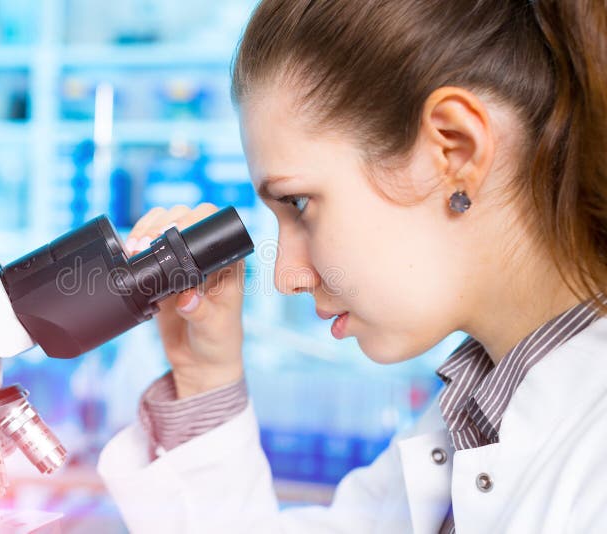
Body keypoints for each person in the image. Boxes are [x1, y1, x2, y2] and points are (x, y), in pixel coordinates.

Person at [97, 0, 607, 532]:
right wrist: (206, 376)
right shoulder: (473, 411)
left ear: (453, 150)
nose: (286, 276)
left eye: (298, 204)